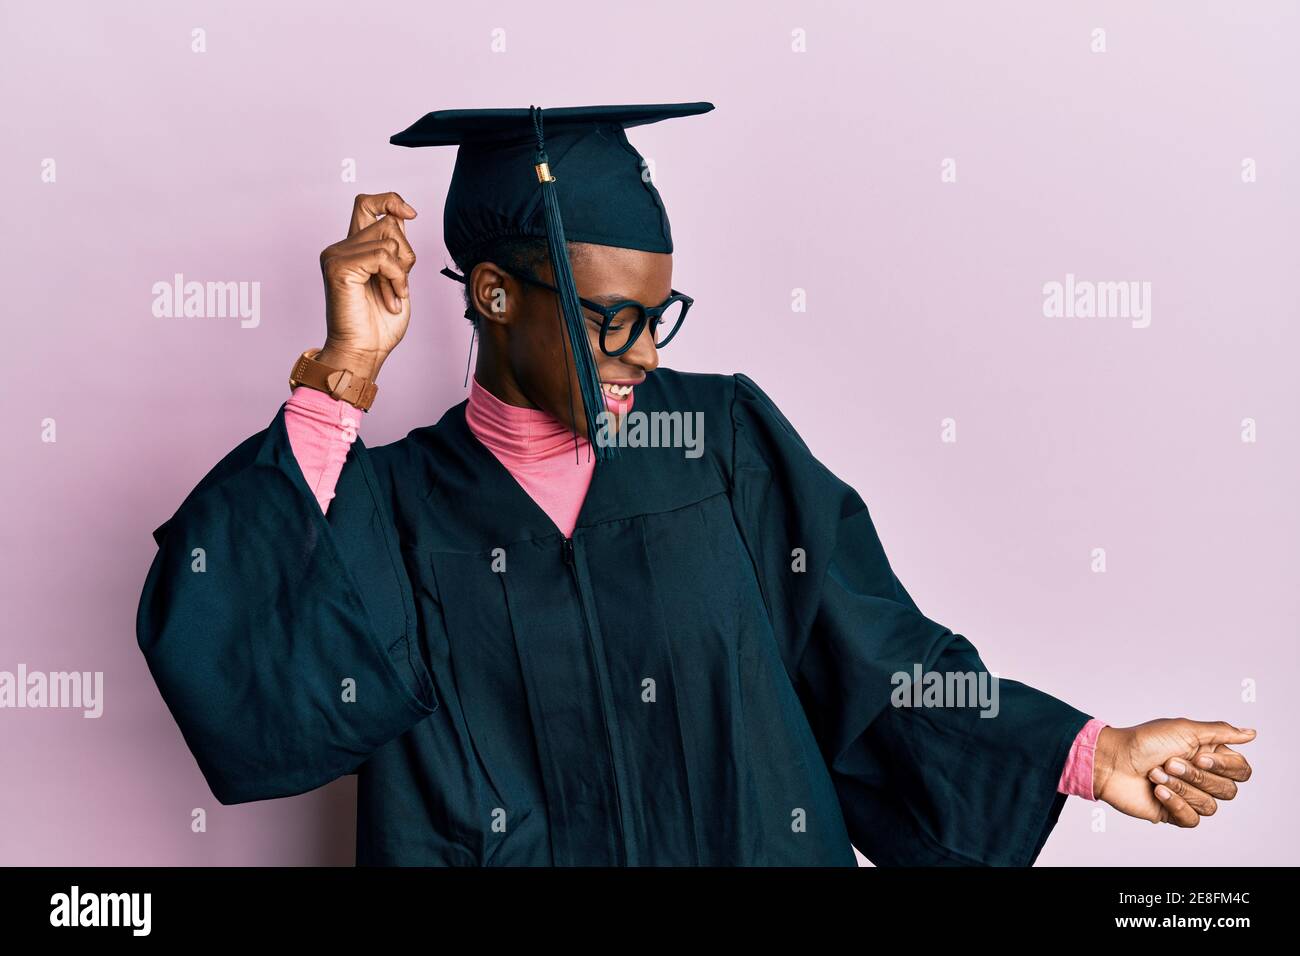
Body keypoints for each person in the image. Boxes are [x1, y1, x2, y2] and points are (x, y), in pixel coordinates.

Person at [135, 103, 1254, 866]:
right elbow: (244, 665)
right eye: (608, 319)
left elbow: (874, 656)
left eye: (656, 318)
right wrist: (344, 374)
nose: (640, 354)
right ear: (491, 293)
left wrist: (1086, 751)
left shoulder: (717, 439)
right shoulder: (389, 504)